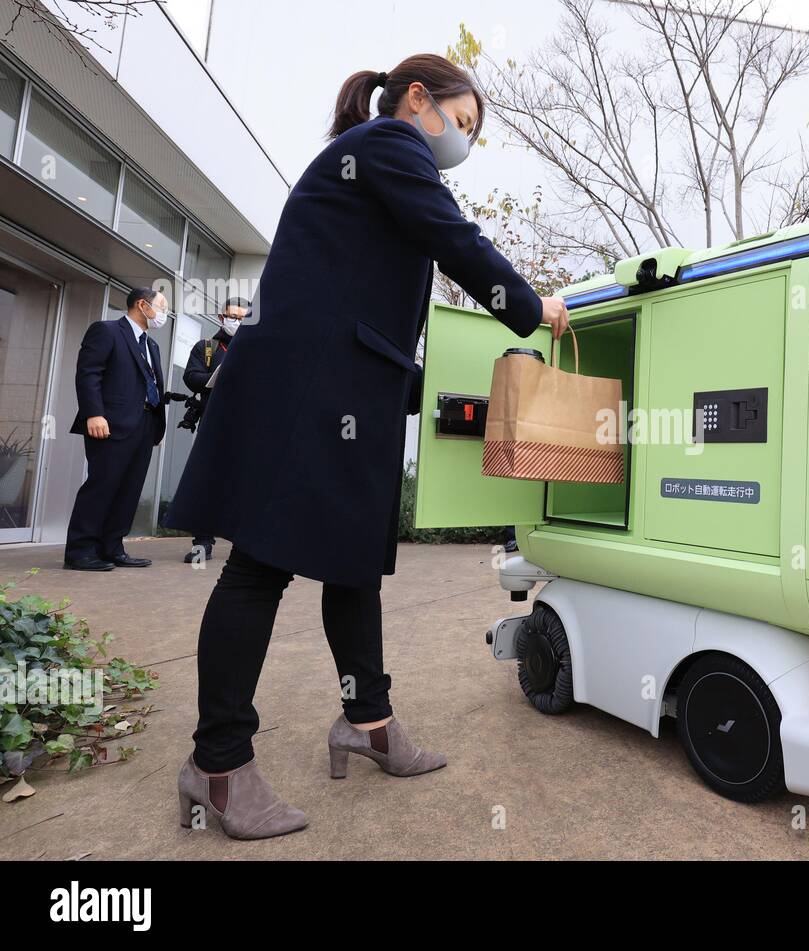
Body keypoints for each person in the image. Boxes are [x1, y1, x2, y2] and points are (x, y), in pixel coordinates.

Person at [166, 54, 572, 840]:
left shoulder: (378, 166)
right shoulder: (389, 144)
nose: (463, 143)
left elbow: (367, 294)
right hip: (308, 386)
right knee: (259, 565)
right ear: (417, 99)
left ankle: (369, 720)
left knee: (353, 562)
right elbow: (456, 239)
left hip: (347, 386)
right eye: (462, 124)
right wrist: (532, 305)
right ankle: (217, 764)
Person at [63, 288, 169, 572]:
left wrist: (156, 425)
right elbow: (89, 373)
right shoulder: (106, 331)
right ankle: (81, 551)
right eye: (162, 307)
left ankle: (112, 548)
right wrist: (93, 413)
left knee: (129, 489)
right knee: (102, 485)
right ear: (142, 304)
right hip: (109, 423)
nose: (163, 315)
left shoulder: (152, 345)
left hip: (145, 424)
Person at [179, 297, 249, 564]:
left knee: (246, 482)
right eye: (233, 317)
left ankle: (245, 545)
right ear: (222, 318)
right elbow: (191, 378)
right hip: (213, 424)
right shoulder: (206, 347)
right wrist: (217, 377)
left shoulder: (258, 347)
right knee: (206, 481)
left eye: (243, 318)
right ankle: (202, 542)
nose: (237, 322)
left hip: (250, 426)